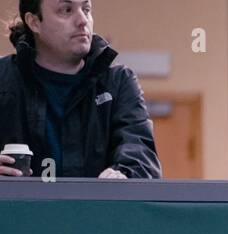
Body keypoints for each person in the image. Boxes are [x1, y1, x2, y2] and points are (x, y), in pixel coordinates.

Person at [0, 0, 160, 179]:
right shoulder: (3, 79)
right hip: (17, 207)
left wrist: (125, 175)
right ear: (34, 22)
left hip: (98, 207)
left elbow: (142, 156)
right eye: (66, 10)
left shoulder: (119, 82)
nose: (83, 20)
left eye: (86, 9)